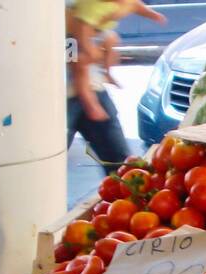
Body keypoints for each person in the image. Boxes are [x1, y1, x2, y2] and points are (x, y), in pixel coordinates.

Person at [66, 0, 166, 172]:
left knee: (119, 163)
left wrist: (152, 15)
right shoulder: (85, 11)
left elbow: (134, 6)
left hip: (91, 87)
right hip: (64, 92)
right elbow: (77, 34)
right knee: (42, 166)